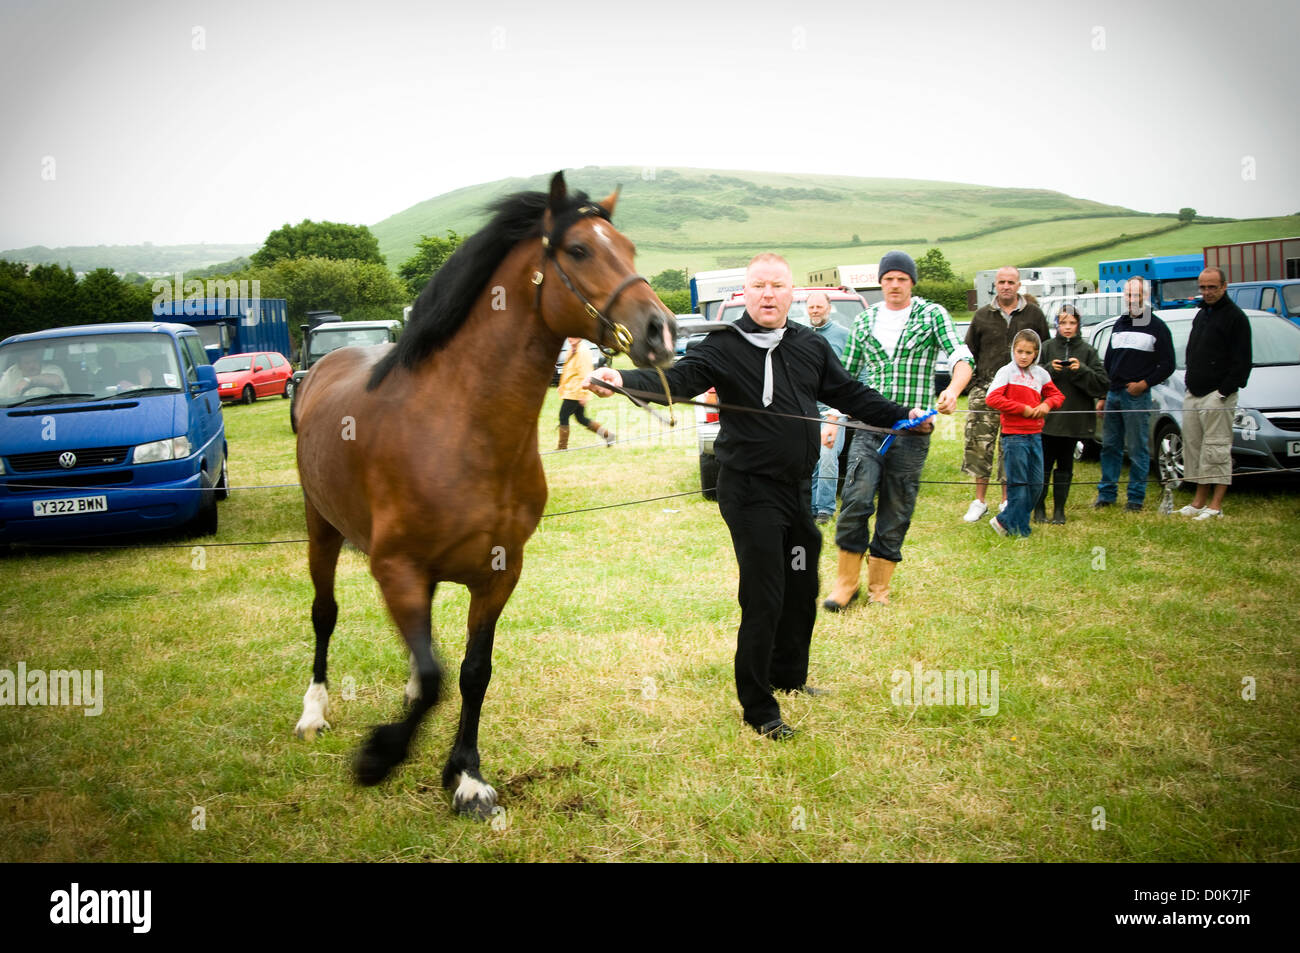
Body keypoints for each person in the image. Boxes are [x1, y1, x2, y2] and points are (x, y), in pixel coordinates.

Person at [587, 253, 928, 740]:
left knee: (799, 585)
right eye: (759, 286)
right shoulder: (722, 345)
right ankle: (757, 706)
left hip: (796, 490)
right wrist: (623, 381)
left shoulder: (809, 346)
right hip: (749, 491)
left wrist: (902, 415)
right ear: (746, 294)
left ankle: (788, 676)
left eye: (777, 286)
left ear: (792, 294)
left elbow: (850, 393)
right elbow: (678, 380)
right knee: (764, 595)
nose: (769, 294)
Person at [822, 250, 972, 611]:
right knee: (856, 499)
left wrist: (952, 390)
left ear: (912, 283)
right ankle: (845, 584)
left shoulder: (932, 315)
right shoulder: (866, 321)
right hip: (869, 427)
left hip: (913, 434)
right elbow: (845, 379)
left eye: (901, 279)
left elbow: (961, 357)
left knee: (897, 507)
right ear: (880, 282)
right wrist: (831, 416)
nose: (894, 285)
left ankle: (879, 589)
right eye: (888, 278)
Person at [961, 266, 1051, 522]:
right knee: (979, 446)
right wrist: (975, 385)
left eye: (1011, 282)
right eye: (1001, 282)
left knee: (1010, 448)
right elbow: (968, 354)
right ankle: (979, 501)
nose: (1006, 286)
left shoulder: (1033, 315)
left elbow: (1044, 351)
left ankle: (1006, 501)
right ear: (995, 285)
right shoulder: (982, 316)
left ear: (1019, 285)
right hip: (986, 390)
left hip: (1020, 394)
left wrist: (1036, 388)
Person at [1095, 276, 1175, 511]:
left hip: (1136, 396)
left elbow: (1168, 364)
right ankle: (1107, 495)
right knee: (1110, 446)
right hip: (1114, 394)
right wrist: (1103, 395)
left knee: (1138, 448)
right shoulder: (1119, 324)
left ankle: (1135, 499)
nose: (1131, 300)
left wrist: (1144, 383)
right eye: (1128, 295)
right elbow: (1109, 362)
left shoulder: (1157, 327)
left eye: (1136, 295)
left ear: (1146, 297)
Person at [1177, 268, 1251, 520]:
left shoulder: (1235, 318)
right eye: (1203, 287)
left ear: (1224, 286)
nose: (1207, 292)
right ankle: (1198, 502)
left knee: (1216, 449)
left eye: (1212, 287)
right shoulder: (1201, 314)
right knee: (1195, 447)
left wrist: (1223, 391)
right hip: (1194, 392)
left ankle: (1216, 506)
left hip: (1218, 395)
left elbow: (1242, 362)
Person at [984, 329, 1064, 537]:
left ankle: (1004, 520)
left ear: (1036, 353)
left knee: (1036, 484)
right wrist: (1022, 409)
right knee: (1018, 484)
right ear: (1013, 350)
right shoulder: (1006, 372)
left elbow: (1057, 395)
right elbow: (992, 398)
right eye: (1019, 351)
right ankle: (1021, 530)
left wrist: (1046, 405)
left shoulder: (1041, 374)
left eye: (1029, 353)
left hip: (1035, 436)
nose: (1023, 356)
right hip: (1014, 437)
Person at [1036, 304, 1108, 523]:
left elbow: (1102, 385)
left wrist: (1082, 370)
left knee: (1065, 464)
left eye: (1072, 323)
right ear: (1056, 324)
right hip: (1047, 419)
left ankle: (1059, 510)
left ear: (1078, 325)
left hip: (1073, 419)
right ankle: (1039, 509)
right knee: (1044, 464)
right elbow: (1029, 380)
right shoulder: (1046, 347)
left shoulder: (1087, 351)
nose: (1067, 327)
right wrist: (1049, 369)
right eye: (1063, 322)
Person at [806, 291, 850, 524]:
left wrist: (849, 406)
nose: (815, 310)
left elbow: (858, 370)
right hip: (805, 410)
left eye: (819, 306)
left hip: (833, 411)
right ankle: (810, 507)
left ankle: (824, 509)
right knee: (809, 458)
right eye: (811, 307)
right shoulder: (799, 335)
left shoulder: (843, 336)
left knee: (827, 456)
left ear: (829, 308)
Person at [555, 338, 614, 449]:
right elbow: (568, 371)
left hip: (576, 391)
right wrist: (561, 385)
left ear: (579, 338)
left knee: (563, 416)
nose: (570, 339)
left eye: (574, 336)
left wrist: (584, 394)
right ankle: (608, 435)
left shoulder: (583, 351)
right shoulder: (570, 350)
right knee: (581, 418)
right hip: (570, 390)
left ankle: (562, 447)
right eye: (569, 337)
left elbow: (586, 373)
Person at [0, 348, 68, 398]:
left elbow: (56, 382)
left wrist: (28, 380)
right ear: (19, 366)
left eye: (35, 361)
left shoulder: (52, 369)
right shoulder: (11, 373)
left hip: (58, 405)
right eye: (27, 363)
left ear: (40, 361)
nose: (32, 365)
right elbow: (2, 397)